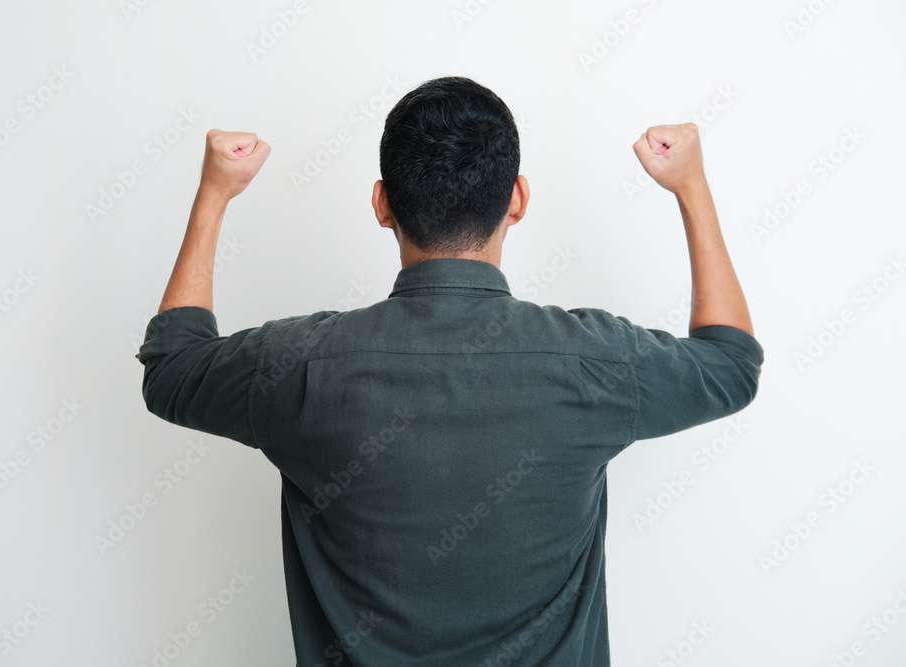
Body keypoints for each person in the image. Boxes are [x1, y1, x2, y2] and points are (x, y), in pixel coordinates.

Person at [136, 76, 763, 666]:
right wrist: (691, 186)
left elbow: (170, 369)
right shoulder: (596, 362)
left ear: (382, 203)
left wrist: (215, 191)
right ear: (516, 198)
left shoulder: (297, 365)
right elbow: (731, 363)